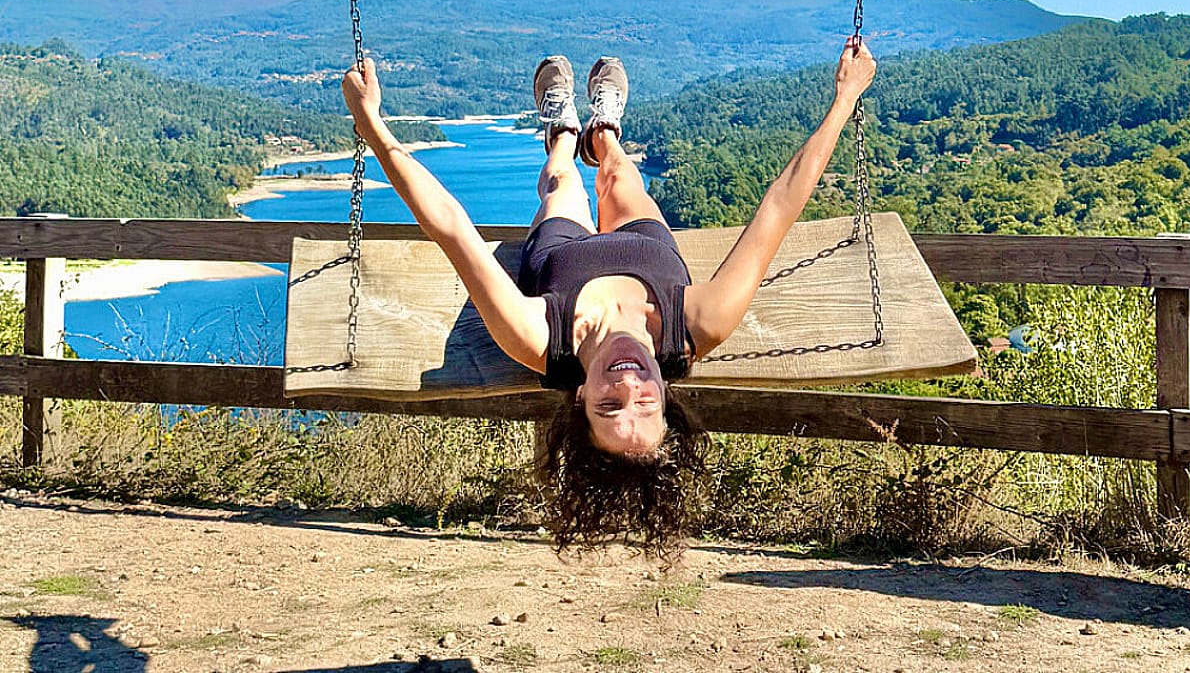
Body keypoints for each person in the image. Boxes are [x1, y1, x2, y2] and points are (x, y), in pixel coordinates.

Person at [341, 38, 877, 559]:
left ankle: (562, 135)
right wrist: (845, 98)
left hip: (561, 254)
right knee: (619, 177)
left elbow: (452, 228)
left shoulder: (535, 337)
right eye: (646, 402)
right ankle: (604, 132)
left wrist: (373, 126)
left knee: (563, 184)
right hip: (645, 245)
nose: (629, 383)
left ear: (579, 400)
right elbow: (780, 207)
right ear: (668, 397)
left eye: (608, 405)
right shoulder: (700, 323)